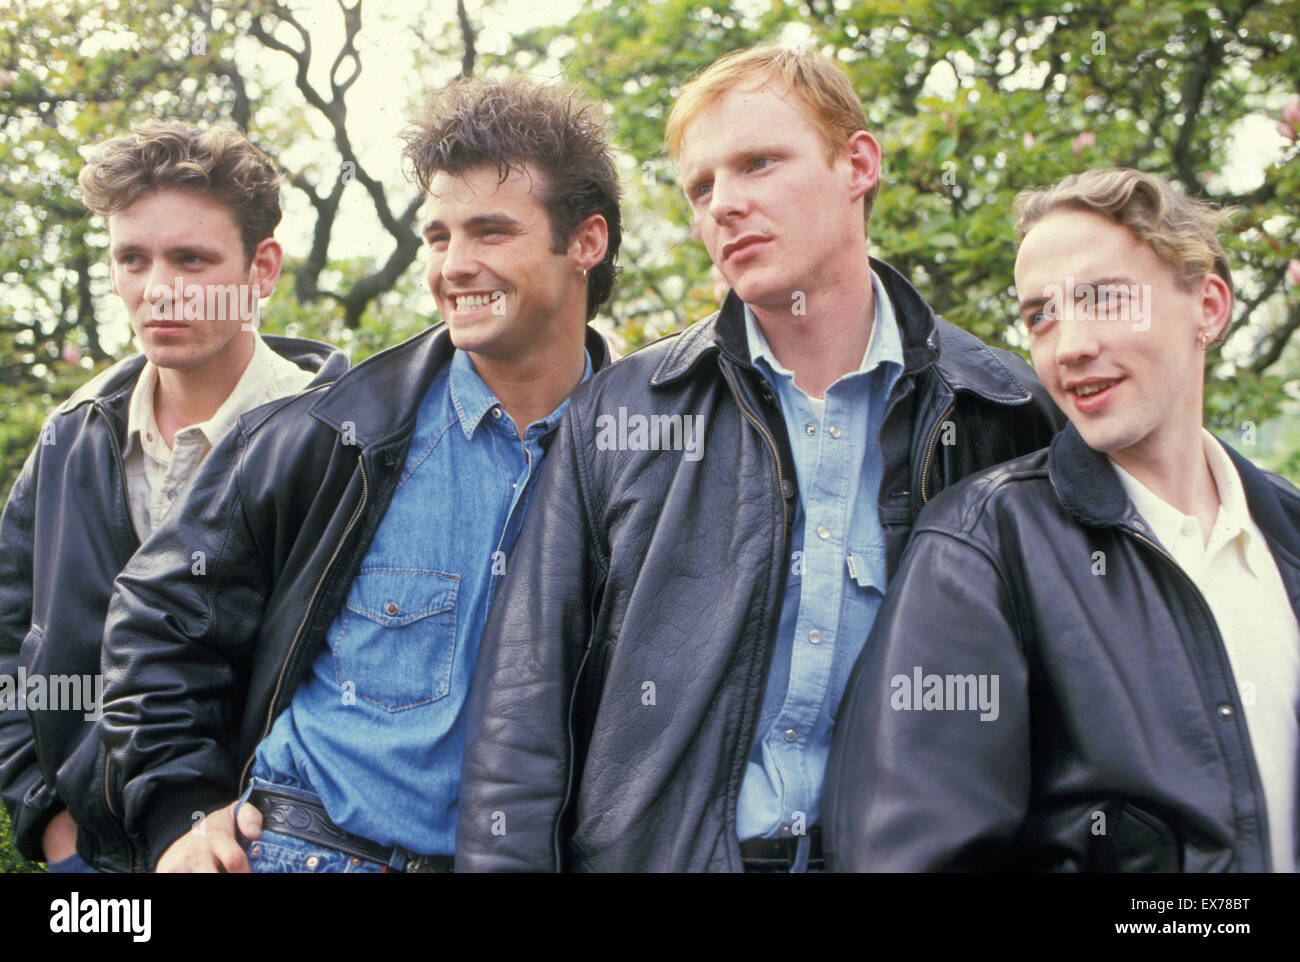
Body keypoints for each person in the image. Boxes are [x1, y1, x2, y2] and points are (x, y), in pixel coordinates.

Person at [455, 44, 1063, 872]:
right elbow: (523, 705)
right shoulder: (620, 414)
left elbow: (1066, 706)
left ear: (858, 164)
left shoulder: (1004, 409)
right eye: (702, 188)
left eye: (758, 164)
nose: (725, 206)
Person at [98, 76, 621, 872]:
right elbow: (158, 625)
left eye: (491, 232)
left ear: (586, 241)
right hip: (306, 849)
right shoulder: (329, 435)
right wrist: (183, 815)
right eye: (438, 236)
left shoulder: (652, 458)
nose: (456, 265)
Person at [823, 167, 1300, 872]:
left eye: (1103, 299)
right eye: (1041, 314)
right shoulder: (981, 546)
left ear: (1209, 306)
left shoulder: (1286, 532)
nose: (1067, 344)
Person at [0, 120, 347, 873]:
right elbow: (6, 641)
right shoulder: (71, 440)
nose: (158, 290)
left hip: (268, 856)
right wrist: (51, 822)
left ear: (263, 268)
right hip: (95, 865)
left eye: (191, 259)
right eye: (133, 259)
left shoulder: (343, 444)